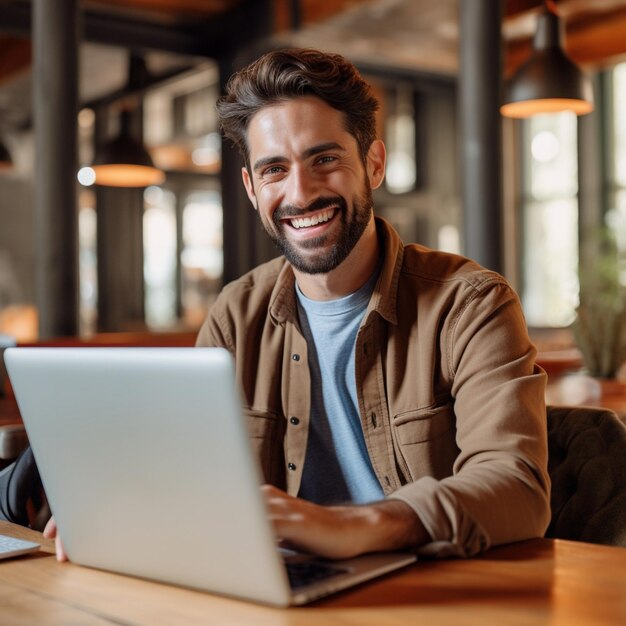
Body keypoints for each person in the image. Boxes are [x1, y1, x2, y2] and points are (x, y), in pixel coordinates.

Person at [43, 47, 549, 560]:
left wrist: (357, 525)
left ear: (373, 164)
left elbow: (517, 487)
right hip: (279, 590)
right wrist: (122, 504)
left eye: (324, 159)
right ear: (251, 187)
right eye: (274, 170)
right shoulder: (235, 315)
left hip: (430, 593)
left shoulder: (470, 304)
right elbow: (189, 470)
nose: (300, 193)